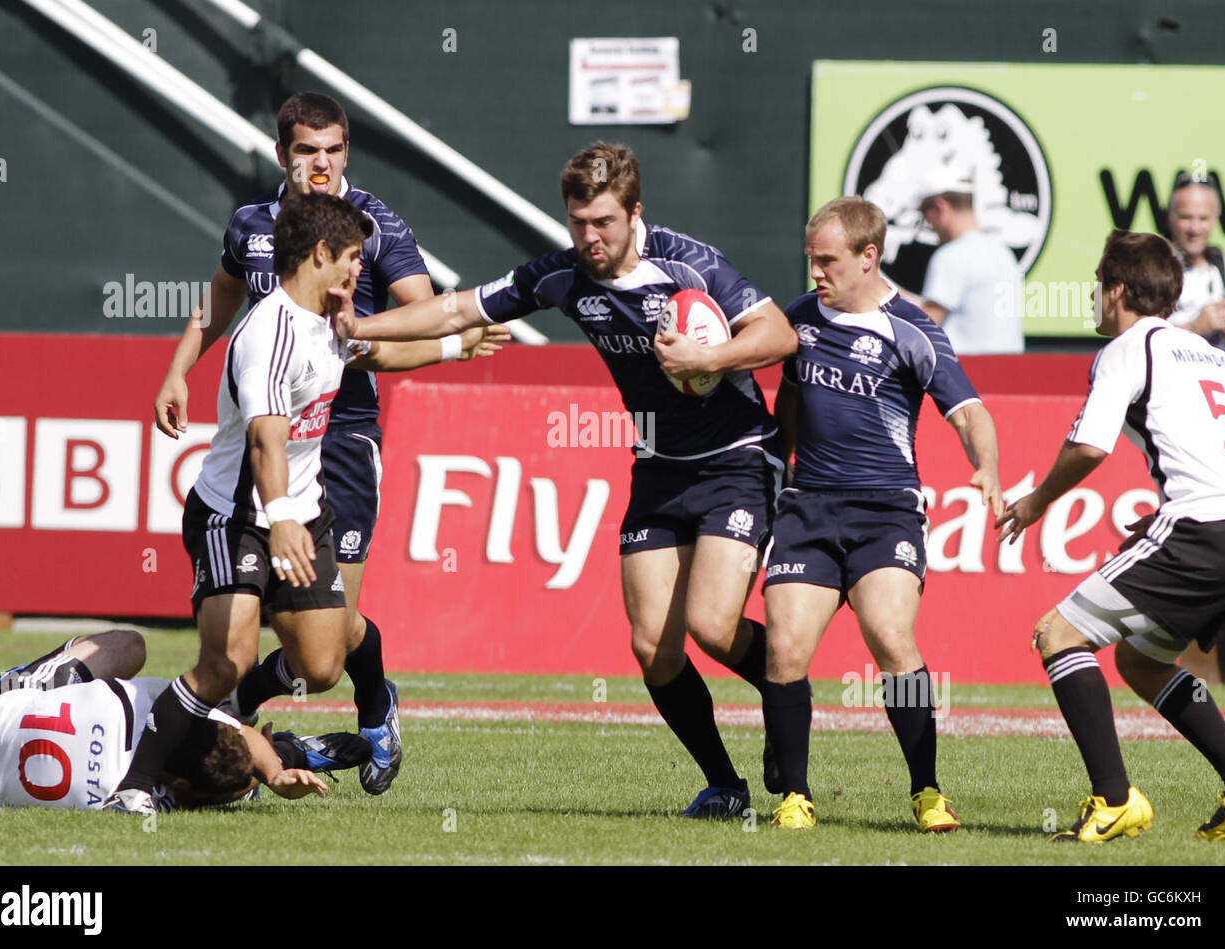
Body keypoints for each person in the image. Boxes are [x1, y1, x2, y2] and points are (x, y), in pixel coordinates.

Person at [333, 142, 798, 819]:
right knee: (653, 648)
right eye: (578, 222)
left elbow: (779, 333)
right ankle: (725, 785)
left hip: (736, 456)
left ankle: (784, 689)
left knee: (712, 625)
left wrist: (709, 355)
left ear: (634, 213)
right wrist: (360, 327)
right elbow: (458, 310)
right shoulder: (563, 275)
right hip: (659, 466)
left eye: (604, 222)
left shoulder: (686, 262)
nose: (590, 237)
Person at [153, 92, 501, 795]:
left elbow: (419, 306)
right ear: (284, 153)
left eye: (335, 149)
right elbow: (220, 298)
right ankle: (239, 729)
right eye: (308, 149)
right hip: (269, 423)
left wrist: (442, 339)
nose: (322, 162)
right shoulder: (253, 223)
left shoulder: (373, 226)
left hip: (340, 431)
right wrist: (177, 369)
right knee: (259, 641)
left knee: (332, 640)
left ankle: (363, 705)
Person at [108, 192, 470, 815]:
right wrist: (279, 522)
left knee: (322, 664)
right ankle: (136, 786)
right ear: (321, 254)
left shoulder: (331, 317)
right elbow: (264, 440)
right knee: (226, 660)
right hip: (236, 517)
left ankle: (238, 723)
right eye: (353, 258)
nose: (362, 270)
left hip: (304, 511)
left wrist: (459, 346)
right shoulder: (268, 332)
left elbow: (380, 352)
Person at [998, 229, 1225, 843]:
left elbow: (1089, 446)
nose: (1093, 299)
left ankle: (1113, 801)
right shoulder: (1210, 353)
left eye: (1096, 287)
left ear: (1115, 291)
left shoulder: (1127, 347)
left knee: (1058, 634)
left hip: (1202, 528)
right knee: (1141, 659)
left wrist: (1034, 501)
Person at [763, 197, 1002, 832]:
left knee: (892, 641)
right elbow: (786, 398)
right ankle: (794, 794)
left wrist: (987, 466)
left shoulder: (913, 330)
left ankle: (927, 791)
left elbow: (971, 410)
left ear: (869, 257)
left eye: (827, 260)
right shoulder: (800, 319)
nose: (816, 272)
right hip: (807, 510)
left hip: (885, 512)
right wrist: (775, 464)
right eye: (811, 259)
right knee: (785, 650)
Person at [0, 630, 366, 810]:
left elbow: (236, 736)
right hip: (4, 747)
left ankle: (285, 752)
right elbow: (239, 739)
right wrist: (276, 766)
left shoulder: (148, 702)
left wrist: (270, 770)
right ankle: (289, 750)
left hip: (1, 711)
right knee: (224, 784)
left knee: (130, 646)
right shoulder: (141, 801)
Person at [916, 167, 1023, 355]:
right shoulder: (1004, 253)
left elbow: (923, 324)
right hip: (1010, 372)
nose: (926, 223)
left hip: (968, 373)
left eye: (924, 211)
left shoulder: (952, 255)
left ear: (940, 207)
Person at [1166, 173, 1225, 347]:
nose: (1195, 228)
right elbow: (1140, 338)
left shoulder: (1220, 261)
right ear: (1170, 216)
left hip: (1214, 371)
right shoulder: (1153, 266)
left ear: (1216, 218)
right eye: (1186, 217)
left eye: (1203, 218)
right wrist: (1194, 327)